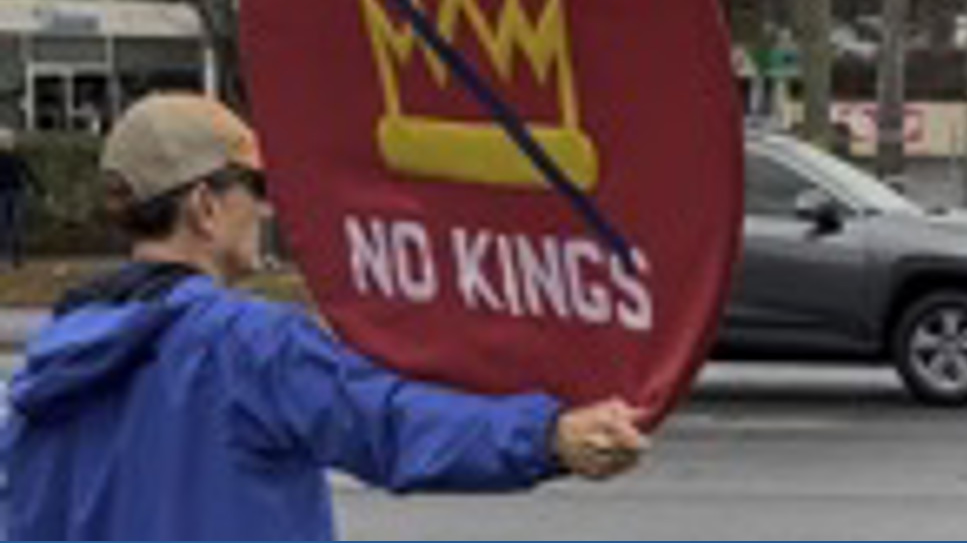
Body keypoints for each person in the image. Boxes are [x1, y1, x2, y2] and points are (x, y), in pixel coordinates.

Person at [0, 94, 649, 542]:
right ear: (204, 205)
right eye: (257, 189)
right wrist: (546, 437)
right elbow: (388, 422)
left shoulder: (51, 362)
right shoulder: (245, 345)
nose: (269, 209)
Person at [0, 130, 38, 270]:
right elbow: (29, 174)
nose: (7, 143)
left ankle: (18, 258)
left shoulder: (18, 157)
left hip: (17, 193)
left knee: (16, 226)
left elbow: (29, 174)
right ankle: (5, 258)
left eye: (9, 140)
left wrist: (40, 190)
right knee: (4, 227)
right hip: (3, 194)